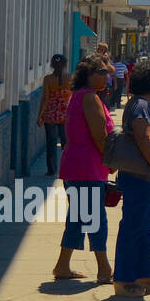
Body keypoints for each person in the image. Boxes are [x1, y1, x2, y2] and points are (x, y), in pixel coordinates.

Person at [51, 57, 115, 284]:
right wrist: (112, 161)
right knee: (95, 220)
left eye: (108, 72)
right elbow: (100, 136)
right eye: (101, 71)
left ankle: (62, 266)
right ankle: (105, 269)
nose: (107, 75)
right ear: (88, 75)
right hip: (86, 168)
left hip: (79, 167)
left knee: (78, 218)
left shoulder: (81, 96)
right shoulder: (89, 98)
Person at [112, 59, 150, 299]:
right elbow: (143, 136)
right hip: (140, 177)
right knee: (133, 228)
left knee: (143, 228)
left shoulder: (138, 104)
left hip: (143, 178)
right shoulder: (140, 107)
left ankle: (145, 275)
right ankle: (124, 280)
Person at [37, 54, 73, 176]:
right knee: (65, 142)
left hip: (51, 114)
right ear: (64, 65)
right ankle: (67, 167)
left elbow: (45, 98)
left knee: (50, 142)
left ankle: (51, 169)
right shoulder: (70, 78)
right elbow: (74, 97)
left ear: (52, 64)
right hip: (65, 114)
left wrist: (40, 116)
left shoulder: (48, 79)